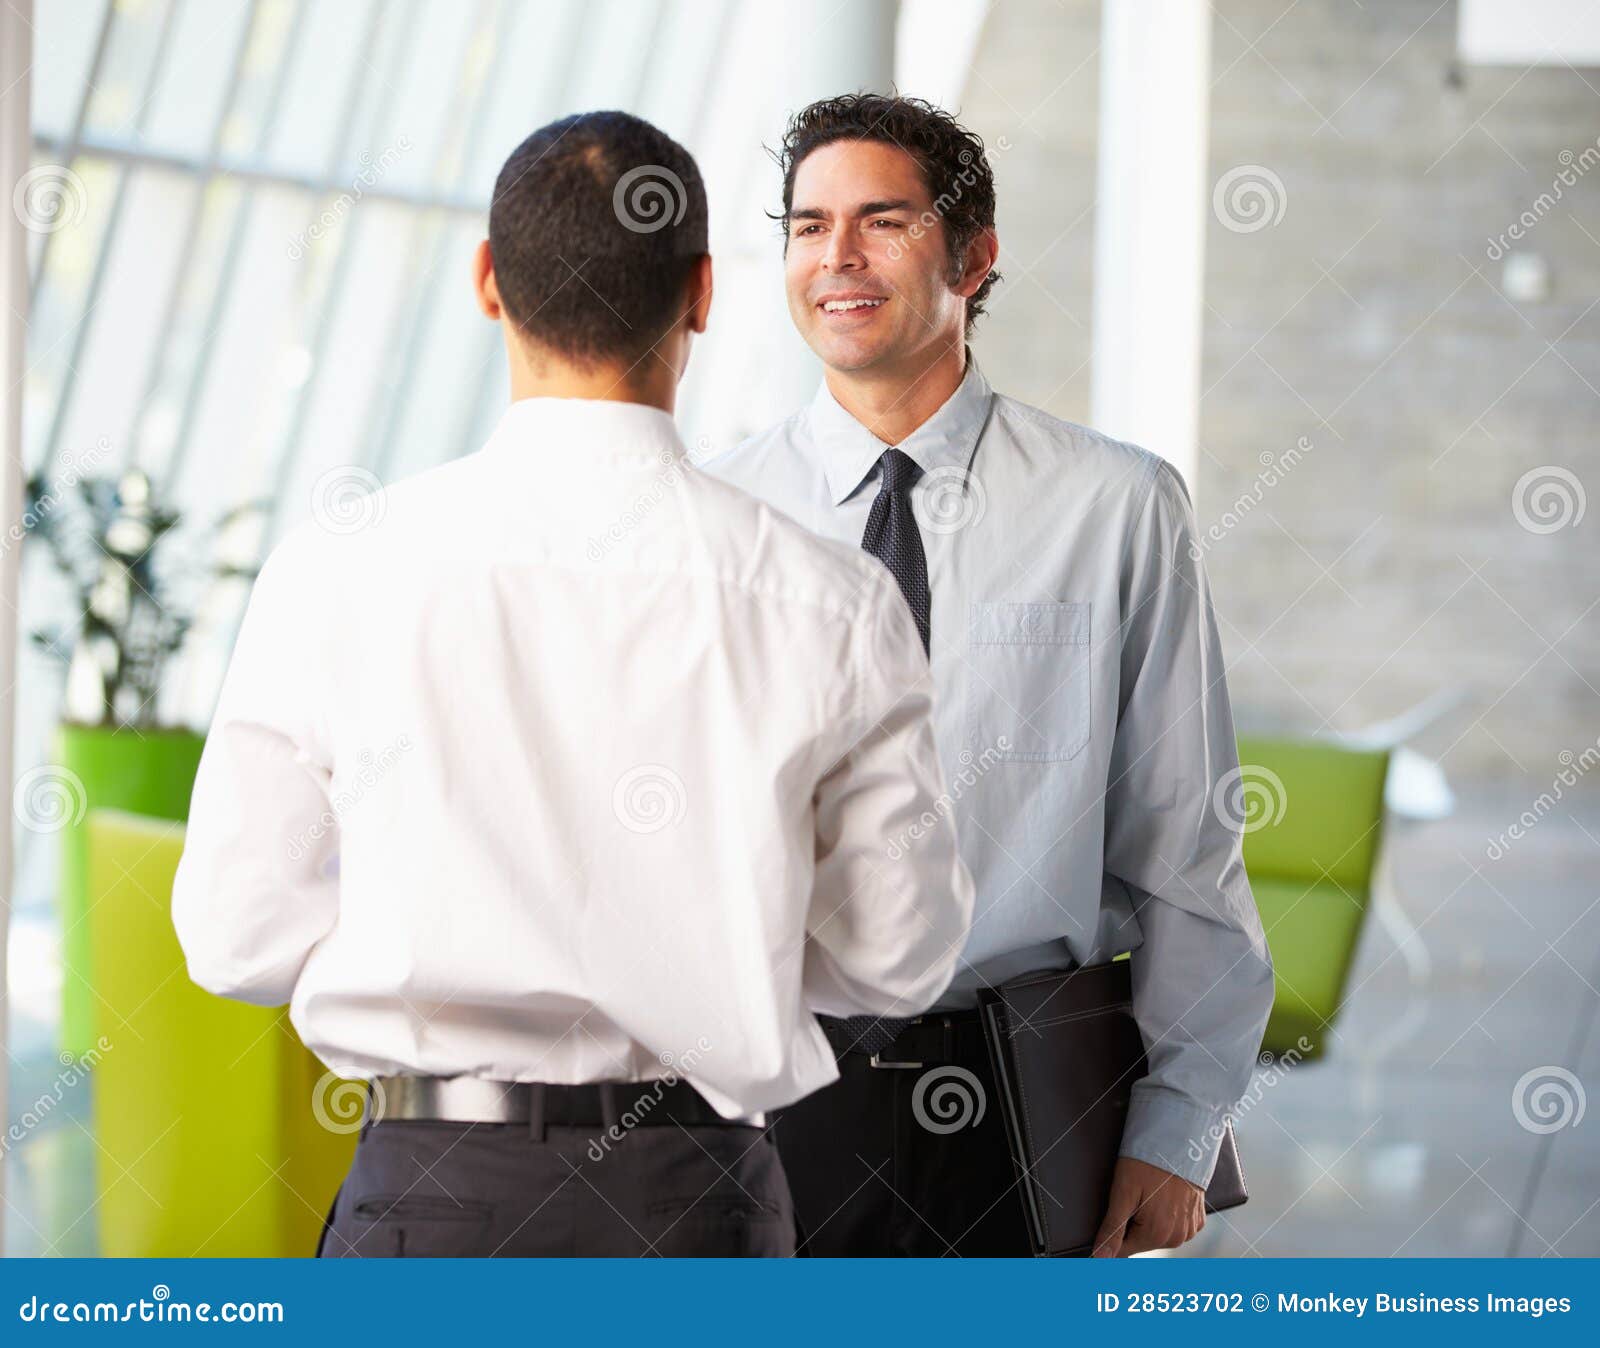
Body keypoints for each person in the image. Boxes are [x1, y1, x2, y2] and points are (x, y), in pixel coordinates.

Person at [171, 109, 973, 1259]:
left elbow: (236, 935)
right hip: (697, 1203)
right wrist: (723, 937)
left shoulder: (337, 565)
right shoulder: (831, 600)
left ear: (488, 281)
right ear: (703, 292)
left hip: (430, 1196)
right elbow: (901, 954)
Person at [699, 93, 1276, 1258]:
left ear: (976, 253)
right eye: (808, 227)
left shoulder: (1113, 506)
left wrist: (1177, 1126)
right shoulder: (716, 516)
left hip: (1018, 1099)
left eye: (882, 221)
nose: (838, 258)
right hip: (758, 1093)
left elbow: (1185, 849)